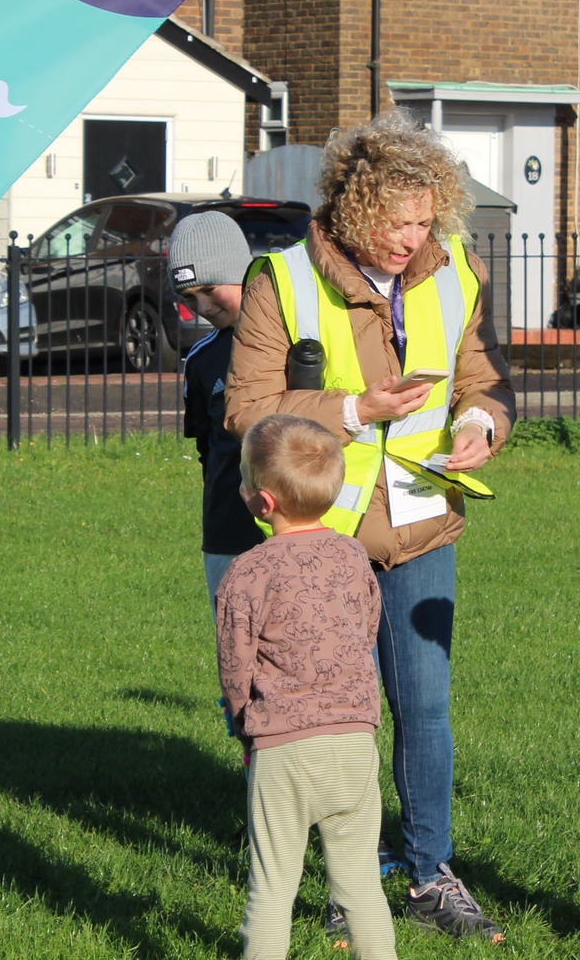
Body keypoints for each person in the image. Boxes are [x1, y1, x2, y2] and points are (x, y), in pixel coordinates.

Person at [225, 113, 514, 943]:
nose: (410, 238)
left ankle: (429, 872)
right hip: (320, 538)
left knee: (424, 704)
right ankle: (348, 878)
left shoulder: (457, 268)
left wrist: (482, 426)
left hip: (422, 523)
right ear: (352, 209)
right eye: (394, 222)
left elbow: (482, 378)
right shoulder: (279, 278)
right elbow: (245, 410)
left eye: (424, 220)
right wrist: (354, 410)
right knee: (328, 716)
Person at [216, 414, 399, 960]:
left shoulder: (246, 573)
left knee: (272, 887)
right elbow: (368, 627)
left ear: (262, 502)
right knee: (361, 884)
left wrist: (242, 721)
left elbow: (234, 665)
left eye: (246, 477)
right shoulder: (352, 556)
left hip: (283, 750)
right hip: (353, 744)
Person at [167, 209, 264, 600]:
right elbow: (208, 449)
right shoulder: (202, 360)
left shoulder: (298, 338)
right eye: (190, 298)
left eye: (209, 290)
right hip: (229, 533)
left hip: (304, 526)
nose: (203, 307)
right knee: (237, 653)